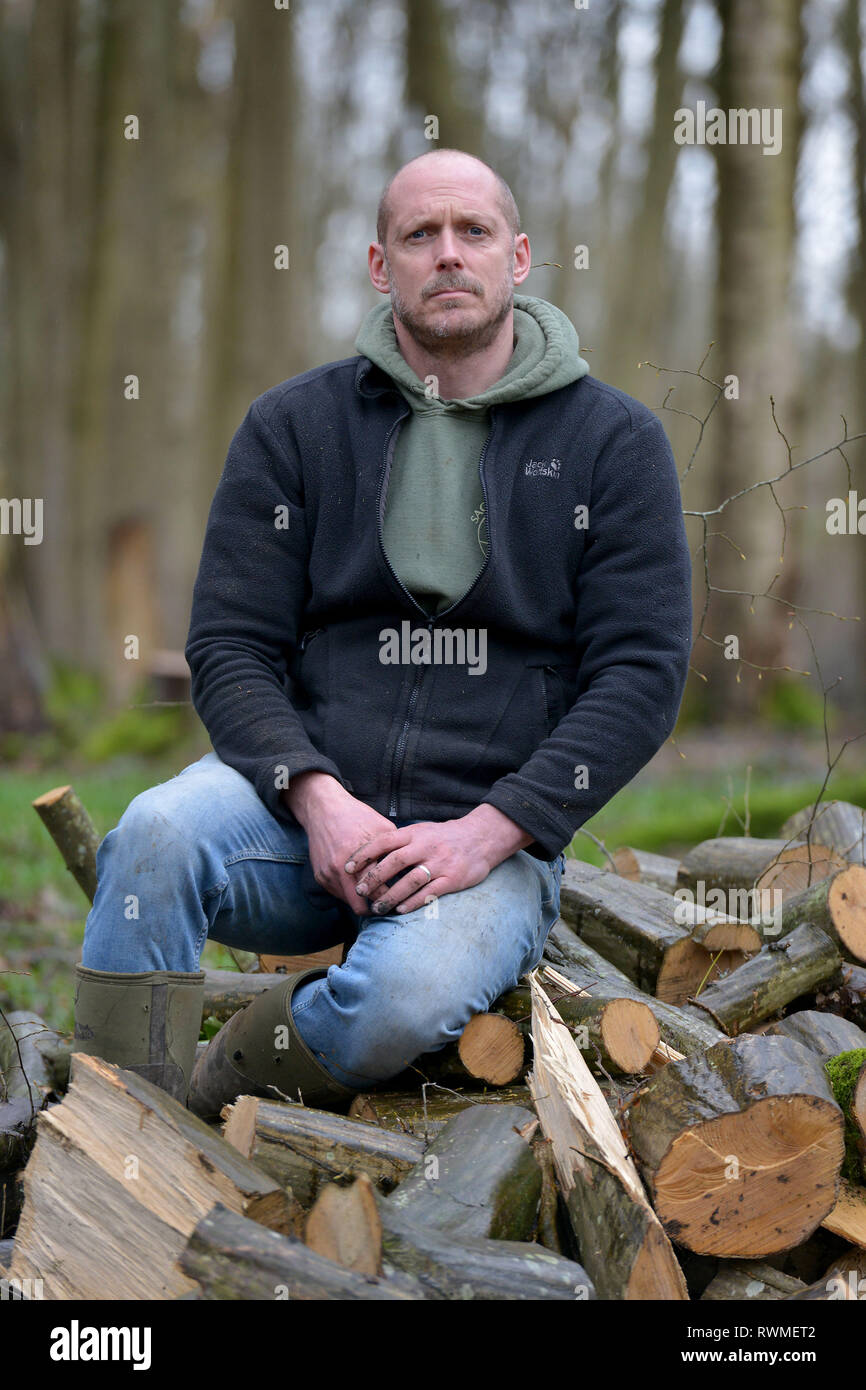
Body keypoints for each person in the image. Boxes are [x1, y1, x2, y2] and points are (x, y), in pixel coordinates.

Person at [72, 148, 692, 1115]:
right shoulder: (294, 427)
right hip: (290, 818)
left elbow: (642, 676)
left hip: (488, 849)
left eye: (473, 232)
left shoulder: (613, 444)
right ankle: (109, 1132)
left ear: (518, 257)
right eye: (420, 236)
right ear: (379, 265)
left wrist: (489, 833)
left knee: (396, 1004)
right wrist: (314, 796)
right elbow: (229, 646)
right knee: (153, 835)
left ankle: (205, 1094)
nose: (448, 255)